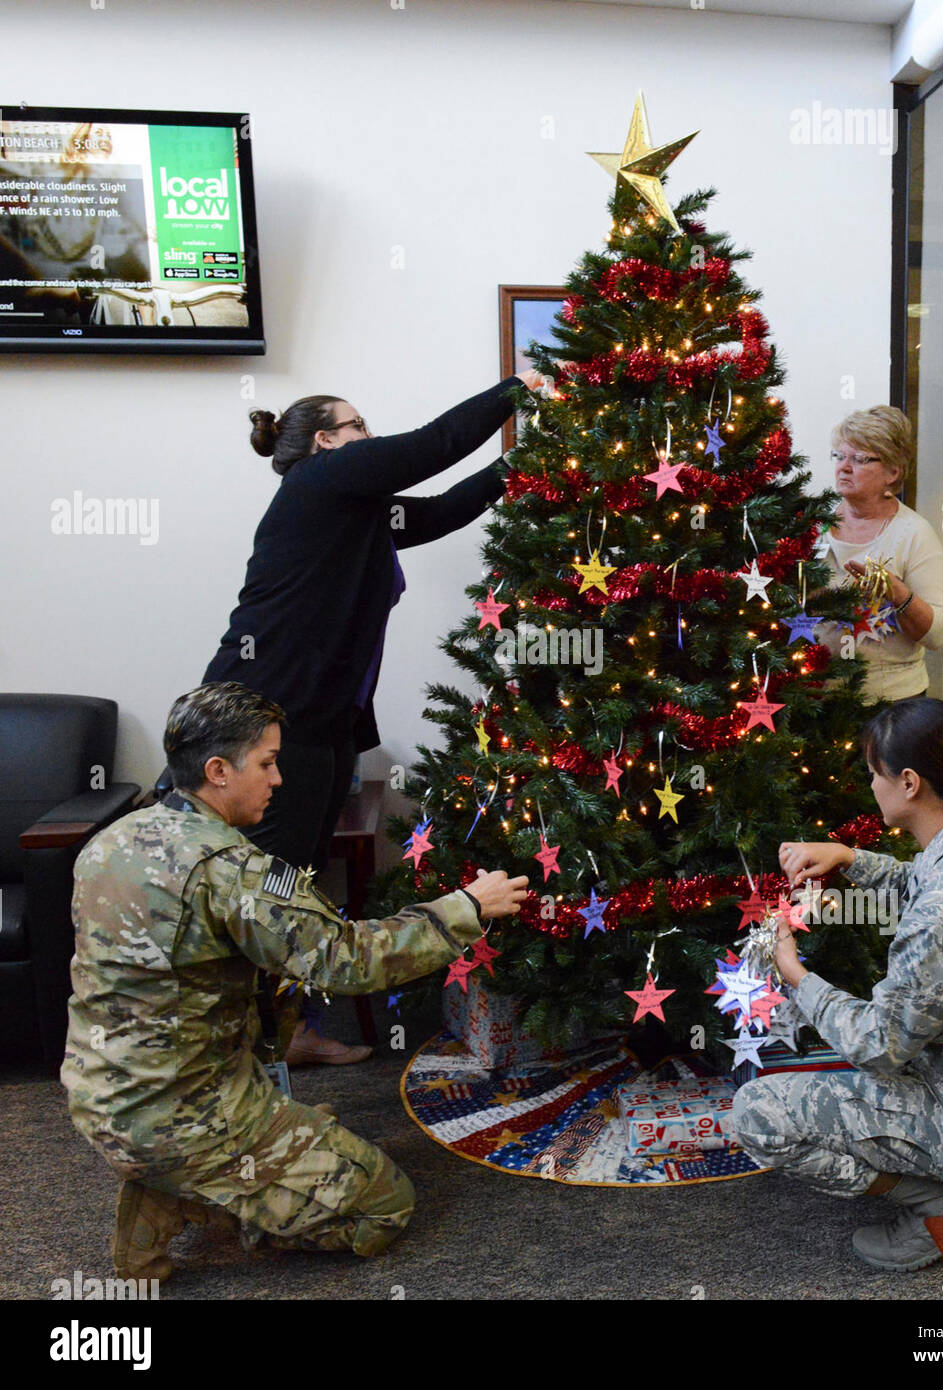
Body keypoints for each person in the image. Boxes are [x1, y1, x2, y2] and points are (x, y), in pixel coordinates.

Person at [61, 683, 530, 1280]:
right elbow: (348, 961)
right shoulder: (231, 872)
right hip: (185, 1114)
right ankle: (191, 1192)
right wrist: (465, 907)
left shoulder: (110, 842)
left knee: (314, 1125)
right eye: (266, 763)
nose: (277, 779)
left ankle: (173, 1171)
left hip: (98, 1093)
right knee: (385, 1205)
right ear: (217, 771)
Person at [196, 369, 549, 1065]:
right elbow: (432, 446)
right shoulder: (319, 483)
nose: (371, 436)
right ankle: (244, 1046)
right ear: (327, 441)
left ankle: (287, 1029)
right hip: (265, 719)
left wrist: (518, 466)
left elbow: (441, 510)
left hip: (320, 723)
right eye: (357, 426)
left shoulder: (358, 510)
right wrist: (519, 387)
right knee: (270, 883)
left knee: (293, 878)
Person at [730, 697, 943, 1273]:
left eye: (875, 774)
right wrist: (849, 857)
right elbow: (918, 881)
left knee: (757, 1112)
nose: (871, 785)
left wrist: (794, 973)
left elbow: (878, 1045)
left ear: (908, 782)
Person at [817, 406, 943, 701]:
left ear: (893, 472)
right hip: (817, 700)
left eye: (860, 459)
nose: (844, 467)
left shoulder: (914, 534)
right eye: (840, 456)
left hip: (890, 705)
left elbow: (938, 635)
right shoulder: (813, 524)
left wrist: (896, 592)